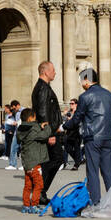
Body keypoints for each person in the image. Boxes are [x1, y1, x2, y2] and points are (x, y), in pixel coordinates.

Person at [63, 66, 111, 214]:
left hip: (92, 138)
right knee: (107, 171)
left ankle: (96, 203)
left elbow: (76, 119)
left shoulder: (85, 97)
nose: (81, 83)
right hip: (107, 136)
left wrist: (64, 126)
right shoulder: (109, 95)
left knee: (92, 171)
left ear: (87, 80)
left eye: (82, 80)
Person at [31, 61, 63, 204]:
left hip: (49, 130)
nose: (55, 72)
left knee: (49, 161)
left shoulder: (42, 87)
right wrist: (49, 133)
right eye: (53, 70)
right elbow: (43, 112)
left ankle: (40, 192)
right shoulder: (43, 89)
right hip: (49, 132)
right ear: (45, 72)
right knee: (56, 160)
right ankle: (40, 191)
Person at [16, 107, 52, 213]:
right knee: (39, 184)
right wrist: (47, 127)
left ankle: (26, 205)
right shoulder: (34, 128)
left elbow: (32, 133)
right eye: (35, 117)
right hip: (35, 162)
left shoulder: (21, 128)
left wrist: (38, 126)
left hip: (26, 162)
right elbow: (44, 135)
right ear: (31, 118)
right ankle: (34, 205)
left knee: (28, 185)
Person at [63, 101, 84, 169]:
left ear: (76, 104)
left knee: (77, 148)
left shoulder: (79, 112)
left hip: (77, 132)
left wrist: (71, 119)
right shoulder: (69, 112)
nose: (71, 105)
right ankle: (78, 160)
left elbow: (79, 122)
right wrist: (64, 115)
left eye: (72, 103)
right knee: (67, 148)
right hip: (69, 132)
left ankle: (76, 165)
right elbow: (64, 121)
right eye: (70, 103)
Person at [4, 101, 21, 170]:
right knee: (13, 148)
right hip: (16, 132)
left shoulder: (24, 111)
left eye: (14, 108)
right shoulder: (16, 113)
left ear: (18, 105)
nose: (14, 109)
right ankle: (12, 164)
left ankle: (25, 165)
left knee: (24, 149)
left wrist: (17, 123)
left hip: (23, 133)